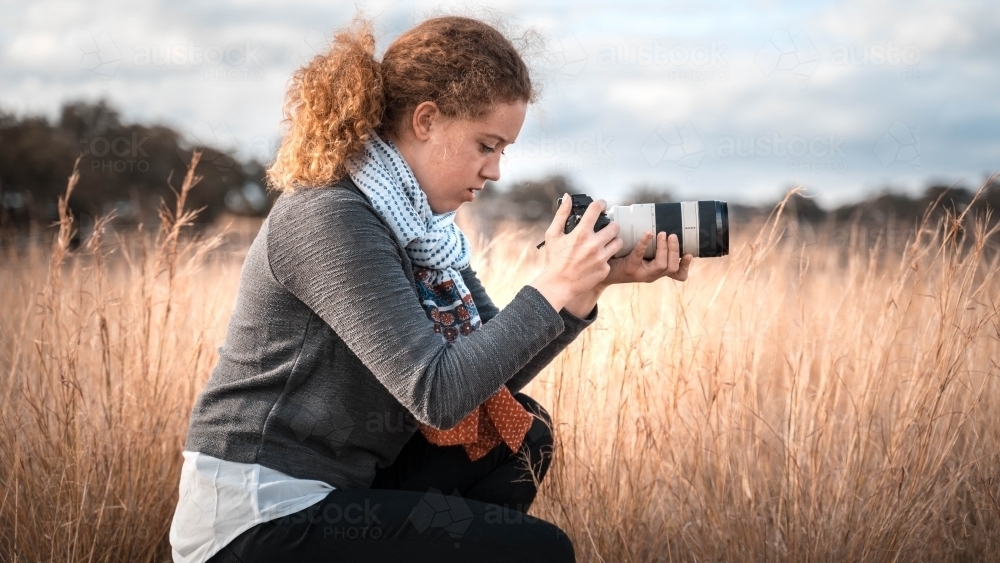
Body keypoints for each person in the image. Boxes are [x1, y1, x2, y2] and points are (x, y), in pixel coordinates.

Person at [169, 14, 692, 563]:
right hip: (259, 512)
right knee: (538, 551)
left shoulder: (423, 232)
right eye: (486, 145)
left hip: (342, 489)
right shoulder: (329, 216)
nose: (495, 171)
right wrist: (551, 282)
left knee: (522, 431)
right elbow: (437, 394)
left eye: (504, 151)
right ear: (425, 121)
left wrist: (585, 288)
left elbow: (489, 379)